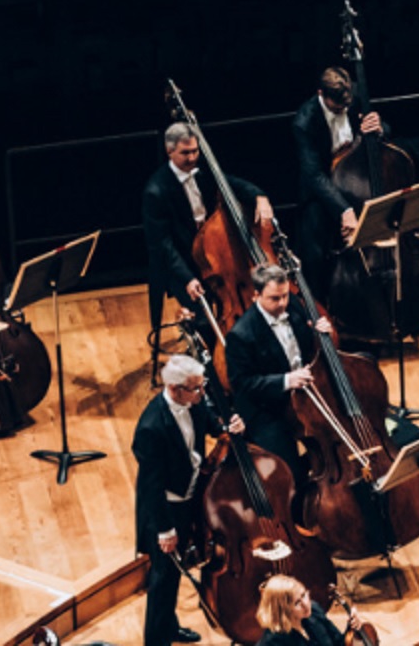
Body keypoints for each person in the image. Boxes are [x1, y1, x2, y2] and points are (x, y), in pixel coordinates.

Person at [290, 66, 419, 298]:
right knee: (314, 246)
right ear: (321, 94)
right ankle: (321, 306)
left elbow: (384, 133)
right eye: (337, 106)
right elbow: (314, 175)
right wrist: (344, 210)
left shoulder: (354, 96)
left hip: (357, 178)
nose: (343, 109)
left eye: (346, 105)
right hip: (324, 187)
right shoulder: (305, 121)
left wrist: (379, 128)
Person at [133, 354, 245, 646]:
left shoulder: (192, 403)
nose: (202, 392)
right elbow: (150, 486)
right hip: (167, 510)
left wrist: (225, 427)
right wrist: (165, 530)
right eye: (196, 388)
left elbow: (209, 420)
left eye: (202, 385)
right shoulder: (150, 427)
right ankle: (156, 641)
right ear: (174, 388)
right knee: (162, 579)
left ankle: (169, 628)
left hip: (191, 495)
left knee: (174, 573)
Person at [142, 121, 273, 321]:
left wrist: (259, 197)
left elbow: (234, 183)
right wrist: (188, 279)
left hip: (213, 250)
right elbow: (163, 245)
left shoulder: (202, 170)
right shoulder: (156, 191)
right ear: (169, 151)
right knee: (204, 321)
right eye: (185, 153)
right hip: (181, 260)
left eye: (195, 151)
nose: (192, 157)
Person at [225, 264, 333, 478]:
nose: (283, 303)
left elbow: (308, 346)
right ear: (256, 295)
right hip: (267, 408)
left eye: (285, 295)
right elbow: (242, 384)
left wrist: (321, 333)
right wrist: (286, 380)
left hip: (304, 394)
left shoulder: (292, 304)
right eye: (275, 298)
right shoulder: (240, 335)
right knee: (287, 471)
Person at [254, 574, 360, 646]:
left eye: (303, 595)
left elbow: (338, 643)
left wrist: (351, 628)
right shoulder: (273, 641)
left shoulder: (314, 610)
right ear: (284, 610)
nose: (305, 604)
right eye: (297, 603)